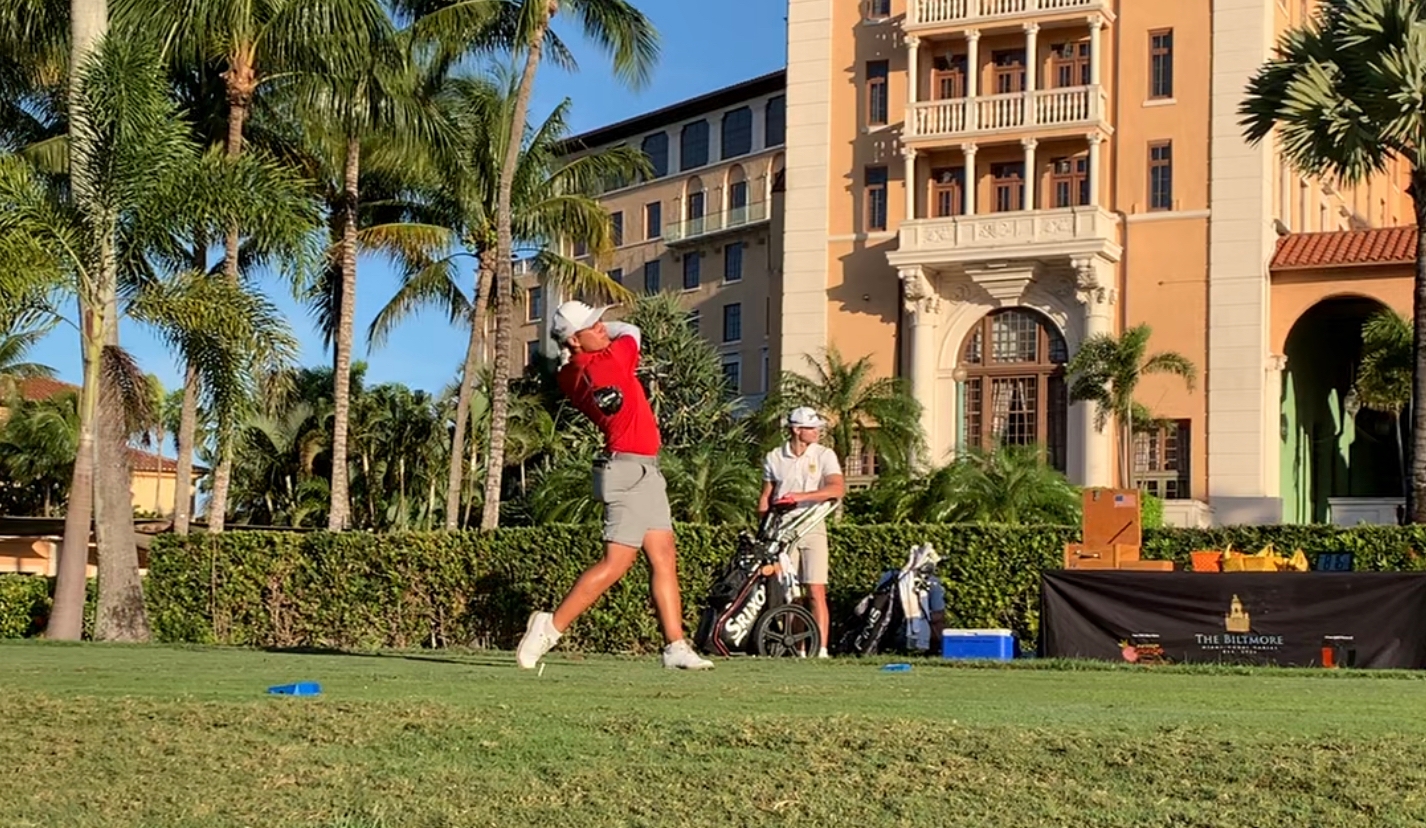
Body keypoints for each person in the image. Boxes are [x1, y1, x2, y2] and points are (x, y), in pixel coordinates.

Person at [515, 300, 713, 671]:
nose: (604, 327)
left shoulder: (573, 373)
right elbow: (632, 332)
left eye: (602, 321)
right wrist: (601, 334)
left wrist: (584, 335)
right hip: (627, 471)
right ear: (575, 338)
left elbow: (613, 337)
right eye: (594, 325)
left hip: (644, 470)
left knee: (664, 555)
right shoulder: (608, 361)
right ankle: (550, 628)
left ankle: (675, 646)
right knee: (615, 564)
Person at [757, 406, 845, 657]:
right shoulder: (775, 457)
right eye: (812, 428)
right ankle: (798, 648)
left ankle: (822, 648)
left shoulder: (824, 455)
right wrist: (764, 529)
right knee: (790, 594)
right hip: (783, 531)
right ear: (797, 430)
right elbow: (765, 497)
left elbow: (837, 489)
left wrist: (800, 498)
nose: (817, 432)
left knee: (816, 590)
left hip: (813, 525)